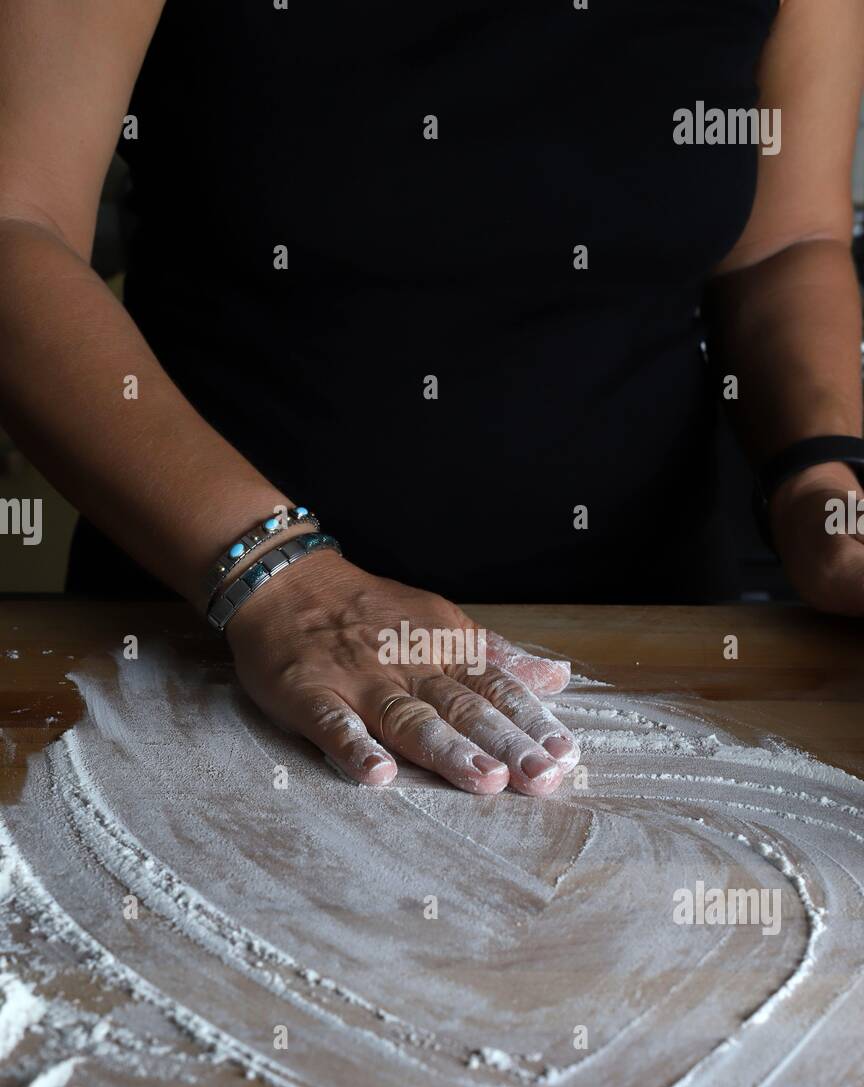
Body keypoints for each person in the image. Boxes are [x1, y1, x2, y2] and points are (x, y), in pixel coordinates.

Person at [0, 1, 862, 797]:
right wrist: (280, 578)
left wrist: (820, 475)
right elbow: (16, 223)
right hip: (209, 630)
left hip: (647, 649)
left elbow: (786, 241)